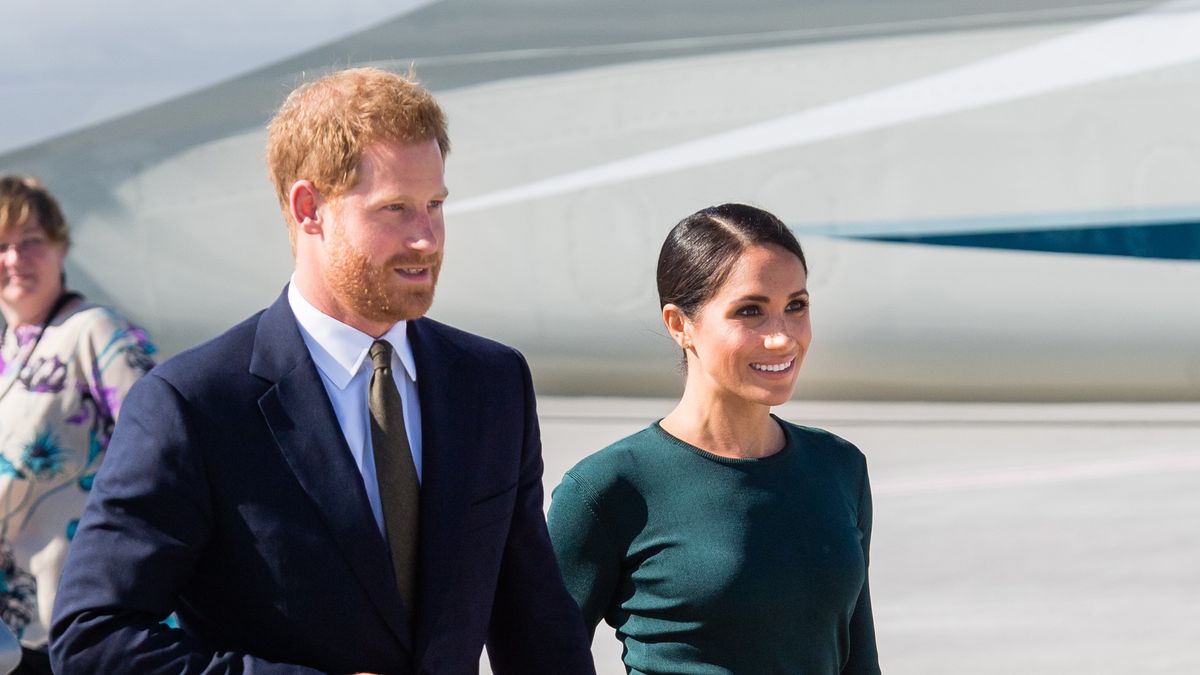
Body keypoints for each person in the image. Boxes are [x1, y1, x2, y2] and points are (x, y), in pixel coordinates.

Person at [50, 68, 595, 674]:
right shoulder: (193, 405)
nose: (427, 238)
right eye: (395, 209)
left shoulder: (493, 384)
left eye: (435, 205)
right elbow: (93, 639)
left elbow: (537, 627)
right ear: (309, 209)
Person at [548, 203, 881, 674]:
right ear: (679, 324)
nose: (782, 337)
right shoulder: (608, 489)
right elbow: (539, 654)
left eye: (796, 306)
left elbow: (859, 659)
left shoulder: (839, 467)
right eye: (750, 312)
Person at [0, 176, 155, 673]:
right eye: (1, 246)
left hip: (75, 619)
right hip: (14, 628)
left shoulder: (95, 331)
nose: (15, 259)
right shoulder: (10, 349)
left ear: (62, 247)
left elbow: (164, 447)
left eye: (31, 243)